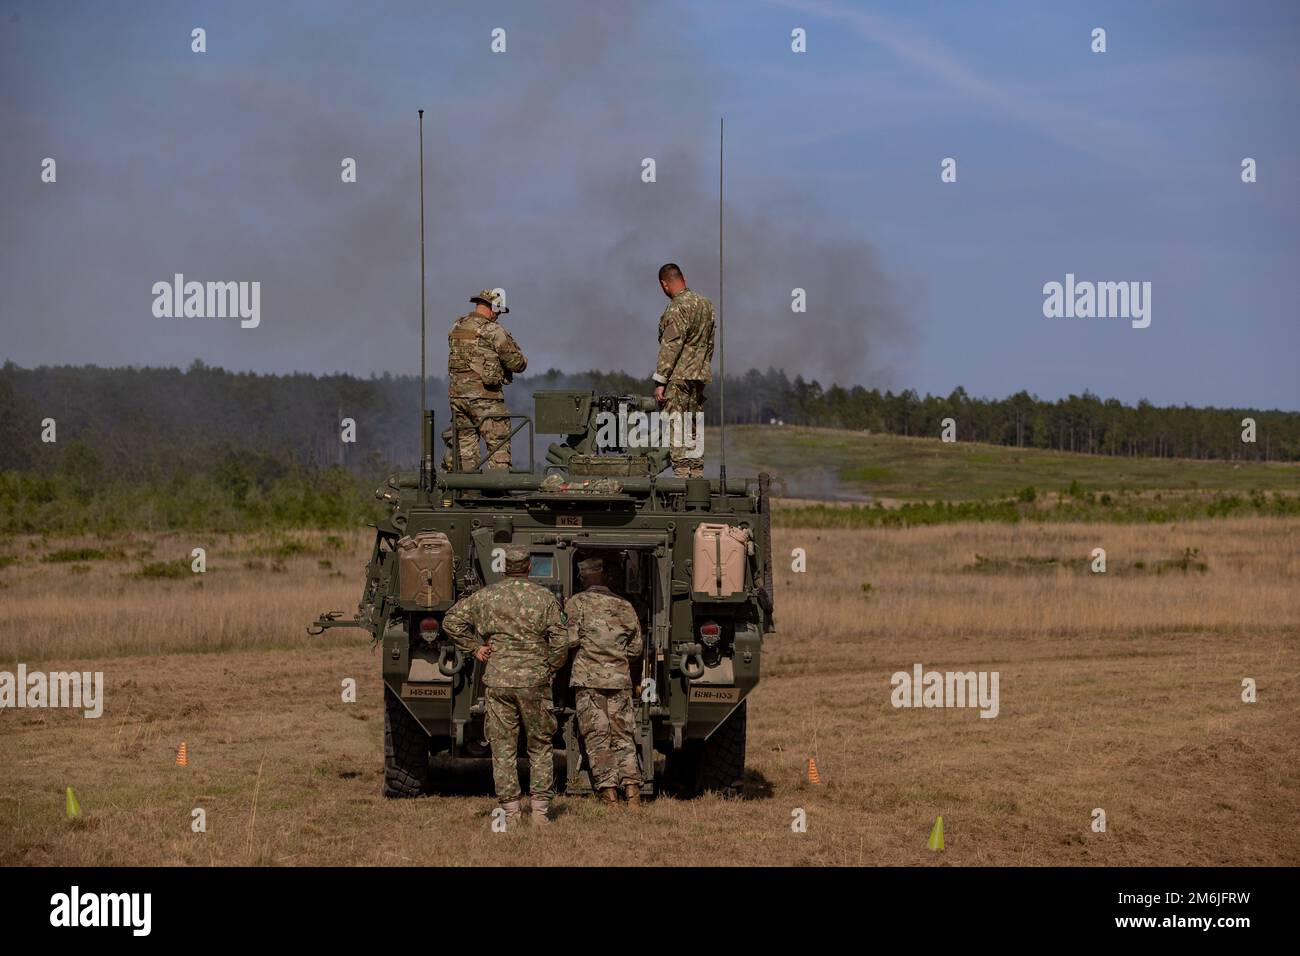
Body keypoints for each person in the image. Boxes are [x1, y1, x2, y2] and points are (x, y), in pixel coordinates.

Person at [443, 545, 567, 826]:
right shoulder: (543, 597)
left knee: (503, 748)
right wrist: (549, 667)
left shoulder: (486, 596)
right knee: (540, 746)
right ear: (529, 567)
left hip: (498, 680)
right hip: (534, 682)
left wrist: (474, 648)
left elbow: (451, 621)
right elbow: (561, 640)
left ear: (504, 567)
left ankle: (510, 813)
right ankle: (539, 813)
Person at [566, 556, 644, 805]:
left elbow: (569, 641)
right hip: (620, 680)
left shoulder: (576, 603)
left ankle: (609, 793)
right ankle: (632, 791)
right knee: (623, 734)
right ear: (604, 577)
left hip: (589, 682)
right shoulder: (625, 605)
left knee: (597, 736)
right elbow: (636, 649)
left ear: (583, 577)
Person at [446, 289, 527, 471]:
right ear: (494, 307)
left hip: (458, 399)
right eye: (498, 312)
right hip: (485, 399)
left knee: (465, 449)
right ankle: (497, 490)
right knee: (499, 444)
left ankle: (467, 491)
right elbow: (517, 363)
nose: (498, 316)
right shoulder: (493, 330)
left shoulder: (457, 326)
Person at [652, 263, 715, 478]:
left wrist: (660, 381)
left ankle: (681, 477)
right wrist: (702, 367)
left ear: (664, 284)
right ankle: (697, 474)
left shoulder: (677, 308)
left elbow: (671, 346)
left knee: (677, 424)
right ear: (683, 278)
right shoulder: (706, 305)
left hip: (678, 377)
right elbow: (710, 344)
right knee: (694, 424)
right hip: (698, 375)